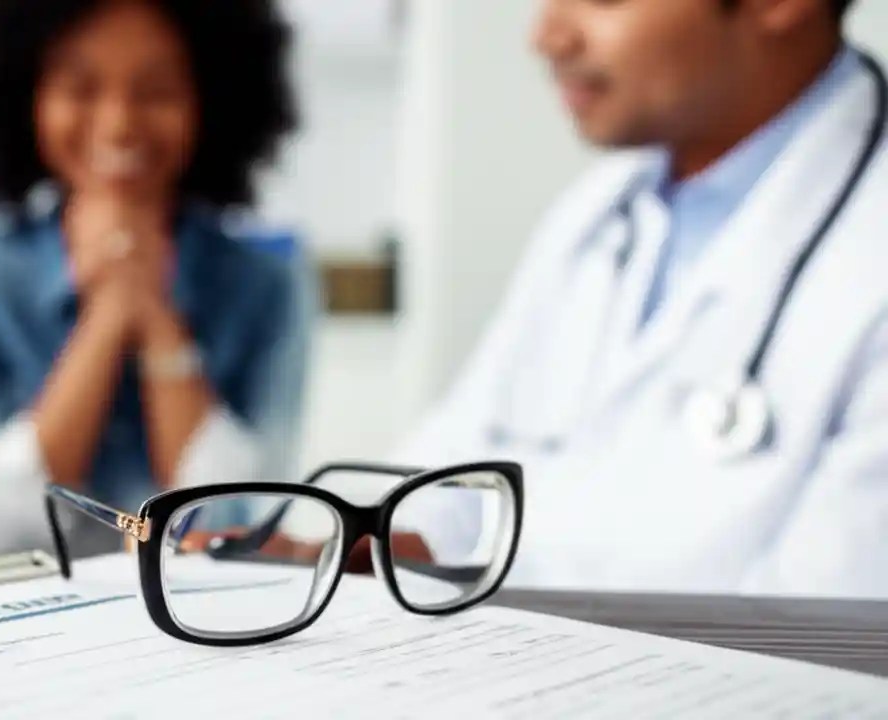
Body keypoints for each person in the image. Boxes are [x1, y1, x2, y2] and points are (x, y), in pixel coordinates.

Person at [379, 0, 888, 598]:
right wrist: (358, 552)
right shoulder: (599, 214)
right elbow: (450, 477)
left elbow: (838, 635)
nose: (547, 37)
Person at [0, 0, 308, 559]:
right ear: (25, 95)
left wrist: (156, 319)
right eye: (80, 89)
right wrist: (109, 315)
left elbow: (232, 530)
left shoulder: (267, 289)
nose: (119, 123)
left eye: (155, 91)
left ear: (210, 99)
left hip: (209, 629)